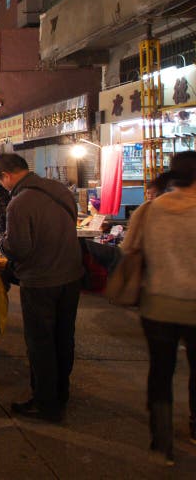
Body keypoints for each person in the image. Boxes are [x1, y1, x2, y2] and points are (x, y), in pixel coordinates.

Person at [0, 153, 82, 423]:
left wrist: (2, 242)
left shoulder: (18, 203)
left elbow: (19, 247)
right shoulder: (59, 189)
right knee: (64, 336)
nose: (3, 187)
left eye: (0, 182)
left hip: (41, 280)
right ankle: (61, 392)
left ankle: (45, 402)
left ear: (6, 176)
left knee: (40, 342)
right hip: (71, 275)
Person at [124, 152, 196, 465]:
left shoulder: (150, 210)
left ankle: (162, 443)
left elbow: (128, 249)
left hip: (158, 305)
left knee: (161, 371)